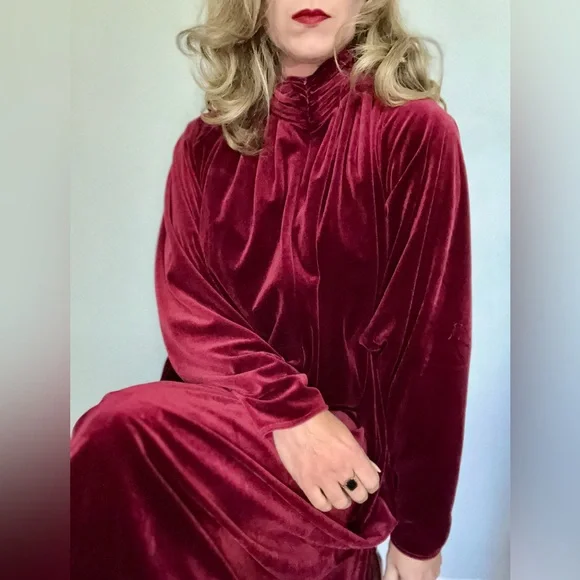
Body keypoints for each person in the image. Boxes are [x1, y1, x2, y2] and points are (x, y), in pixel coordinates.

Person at [70, 1, 472, 579]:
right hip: (218, 454)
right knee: (114, 437)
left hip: (342, 472)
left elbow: (430, 347)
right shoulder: (202, 148)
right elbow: (191, 313)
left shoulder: (414, 134)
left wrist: (420, 539)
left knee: (116, 428)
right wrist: (293, 414)